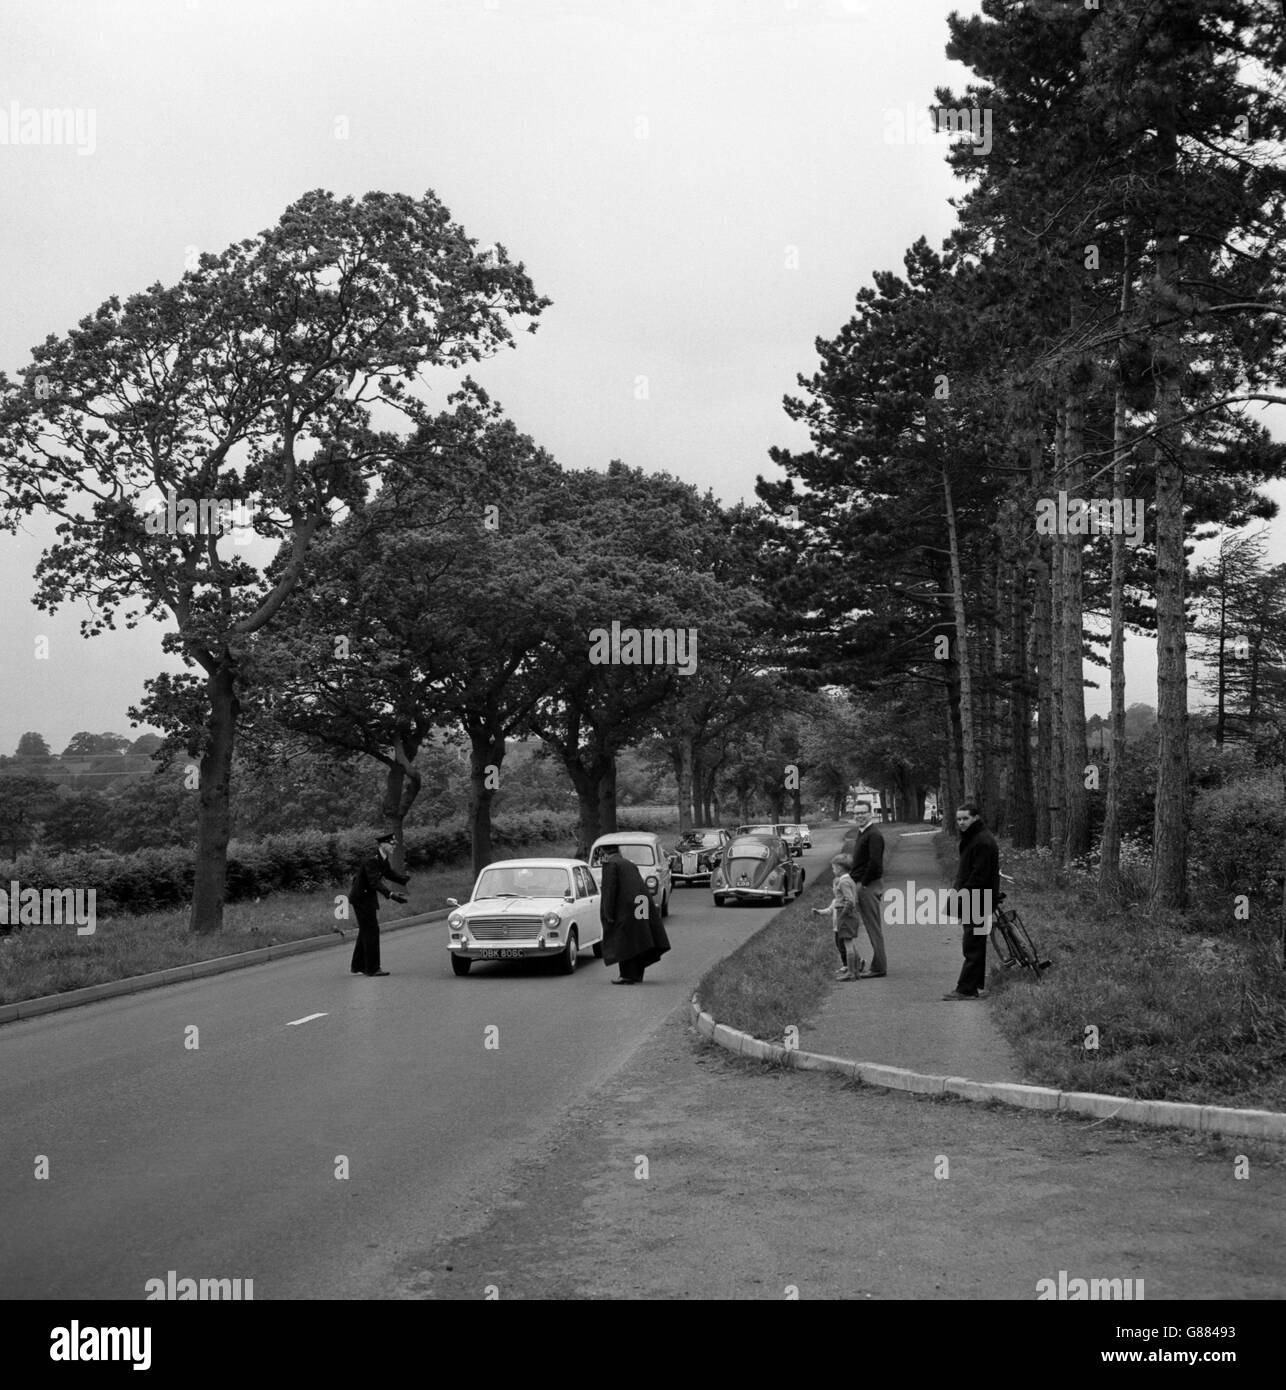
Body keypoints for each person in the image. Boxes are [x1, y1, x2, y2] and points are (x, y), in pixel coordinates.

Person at [943, 801, 999, 1001]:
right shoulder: (972, 838)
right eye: (958, 819)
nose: (961, 822)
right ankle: (973, 986)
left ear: (975, 817)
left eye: (965, 818)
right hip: (974, 896)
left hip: (978, 898)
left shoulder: (981, 841)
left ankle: (966, 989)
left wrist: (961, 898)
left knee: (972, 945)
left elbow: (978, 876)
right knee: (974, 943)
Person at [599, 843, 670, 984]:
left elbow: (609, 891)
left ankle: (627, 975)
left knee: (623, 940)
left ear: (603, 852)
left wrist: (608, 913)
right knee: (640, 936)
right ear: (618, 850)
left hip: (626, 908)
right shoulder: (628, 863)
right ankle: (636, 973)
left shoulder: (610, 865)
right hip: (641, 904)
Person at [348, 832, 410, 977]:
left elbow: (388, 873)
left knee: (365, 930)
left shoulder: (382, 858)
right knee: (371, 931)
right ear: (383, 844)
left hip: (366, 898)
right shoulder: (372, 860)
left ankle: (358, 965)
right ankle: (372, 968)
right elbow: (374, 882)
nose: (394, 846)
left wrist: (403, 880)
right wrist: (391, 895)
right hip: (361, 899)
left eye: (394, 843)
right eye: (391, 844)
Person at [848, 801, 887, 978]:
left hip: (868, 886)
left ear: (870, 813)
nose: (859, 816)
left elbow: (875, 864)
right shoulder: (863, 832)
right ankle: (874, 964)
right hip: (862, 884)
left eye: (863, 812)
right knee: (871, 926)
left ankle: (879, 967)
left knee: (873, 927)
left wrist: (862, 883)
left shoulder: (874, 835)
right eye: (856, 813)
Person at [813, 855, 864, 981]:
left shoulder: (843, 882)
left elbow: (850, 900)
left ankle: (850, 972)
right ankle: (856, 971)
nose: (833, 871)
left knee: (848, 945)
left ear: (840, 868)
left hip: (845, 914)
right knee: (850, 944)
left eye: (834, 868)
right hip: (850, 914)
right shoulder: (850, 880)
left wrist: (843, 914)